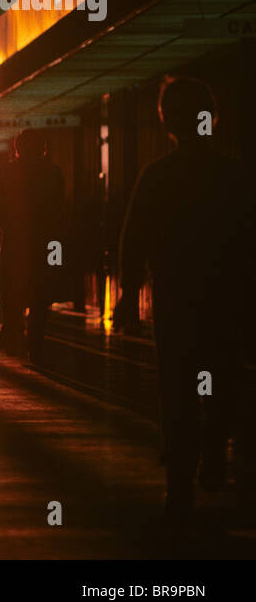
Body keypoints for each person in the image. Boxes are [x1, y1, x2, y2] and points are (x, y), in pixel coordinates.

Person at [114, 76, 252, 521]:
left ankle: (179, 479)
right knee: (222, 379)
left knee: (178, 386)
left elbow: (133, 240)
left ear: (167, 122)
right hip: (227, 301)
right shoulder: (234, 176)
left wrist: (129, 295)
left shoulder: (157, 177)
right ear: (209, 117)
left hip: (176, 302)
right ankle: (215, 447)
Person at [0, 129, 64, 362]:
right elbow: (60, 210)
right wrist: (57, 252)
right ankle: (36, 344)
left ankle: (12, 333)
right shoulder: (53, 173)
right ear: (43, 148)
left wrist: (9, 228)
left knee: (11, 290)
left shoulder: (6, 172)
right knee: (43, 291)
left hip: (14, 242)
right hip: (49, 241)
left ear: (17, 149)